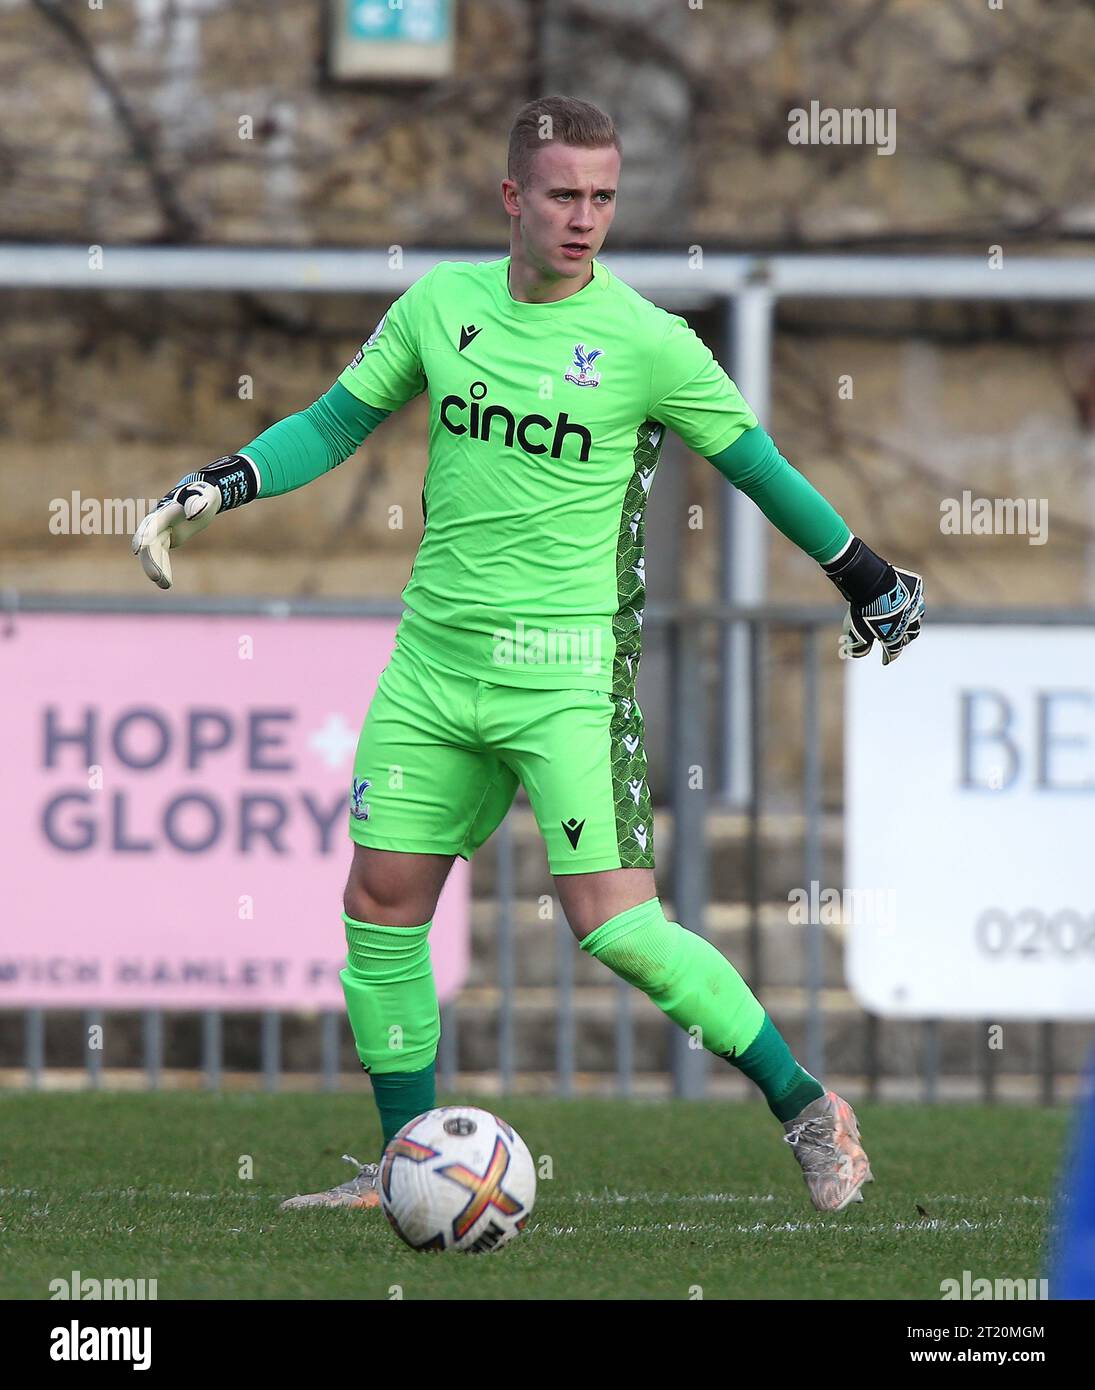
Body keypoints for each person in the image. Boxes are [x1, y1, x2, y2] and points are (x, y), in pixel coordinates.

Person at [132, 95, 923, 1216]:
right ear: (513, 197)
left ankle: (806, 1104)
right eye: (563, 194)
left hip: (565, 674)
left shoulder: (648, 340)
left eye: (603, 196)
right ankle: (410, 1160)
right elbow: (333, 421)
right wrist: (220, 481)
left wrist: (866, 572)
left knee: (616, 924)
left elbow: (758, 465)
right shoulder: (442, 305)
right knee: (383, 900)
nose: (585, 217)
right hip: (433, 664)